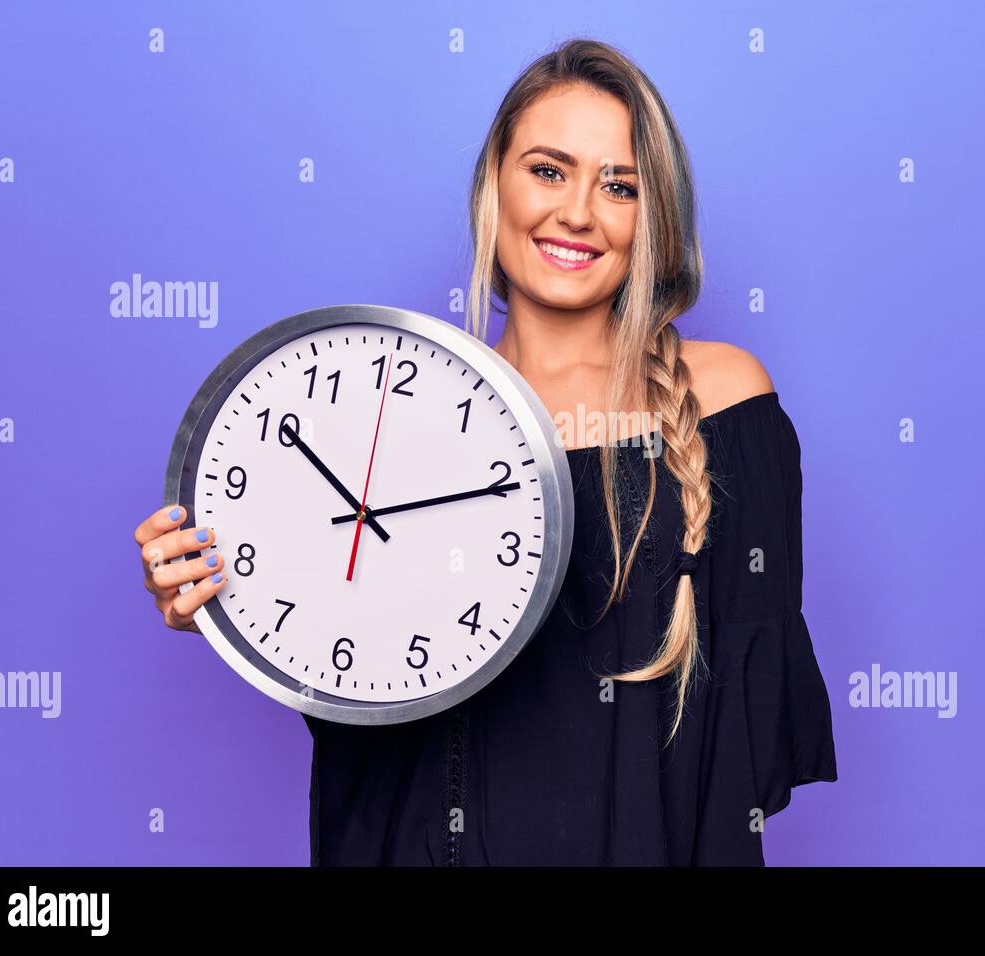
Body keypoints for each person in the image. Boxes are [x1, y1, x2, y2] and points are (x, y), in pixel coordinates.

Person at [134, 37, 837, 866]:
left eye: (619, 185)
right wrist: (217, 602)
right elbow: (358, 670)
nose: (577, 212)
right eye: (547, 170)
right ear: (492, 186)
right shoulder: (391, 416)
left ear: (654, 217)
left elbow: (744, 729)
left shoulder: (723, 396)